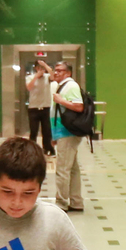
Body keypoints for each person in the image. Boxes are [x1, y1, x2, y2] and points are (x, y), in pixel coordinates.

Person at [50, 61, 87, 211]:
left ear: (68, 73)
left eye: (60, 71)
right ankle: (76, 201)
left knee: (63, 168)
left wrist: (61, 101)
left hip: (68, 132)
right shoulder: (63, 85)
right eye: (55, 70)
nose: (56, 73)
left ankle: (61, 202)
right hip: (63, 132)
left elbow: (79, 106)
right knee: (72, 168)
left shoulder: (71, 86)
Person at [25, 58, 54, 155]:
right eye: (39, 68)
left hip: (46, 107)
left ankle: (47, 149)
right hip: (33, 108)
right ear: (36, 68)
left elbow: (53, 76)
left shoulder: (47, 77)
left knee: (47, 131)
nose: (41, 70)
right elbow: (29, 87)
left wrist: (45, 65)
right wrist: (36, 77)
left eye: (43, 68)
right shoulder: (30, 77)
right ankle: (32, 150)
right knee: (33, 130)